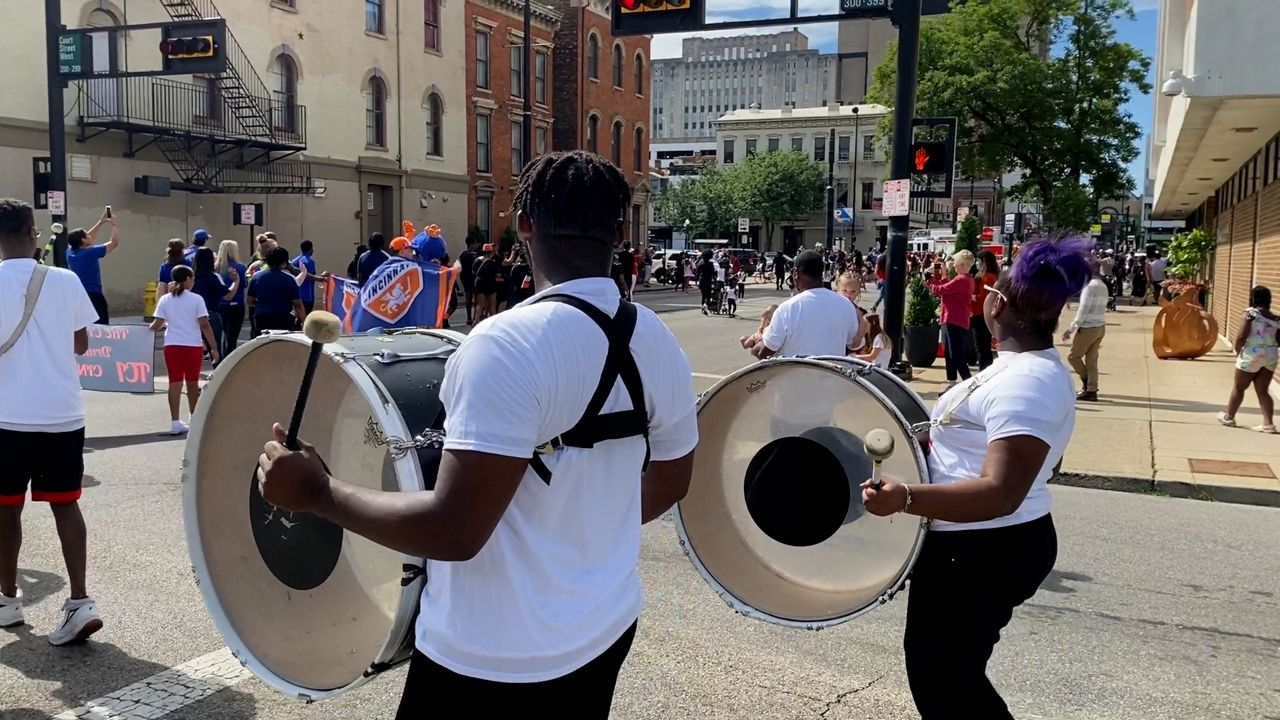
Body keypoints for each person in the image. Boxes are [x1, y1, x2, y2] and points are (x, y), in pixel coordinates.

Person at [256, 151, 698, 717]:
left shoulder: (505, 344)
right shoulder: (655, 338)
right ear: (619, 232)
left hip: (491, 658)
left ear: (525, 225)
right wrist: (581, 527)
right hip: (605, 628)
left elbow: (455, 531)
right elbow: (674, 478)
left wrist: (316, 493)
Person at [862, 236, 1090, 720]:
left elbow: (1001, 492)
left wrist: (905, 498)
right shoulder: (1017, 369)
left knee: (947, 679)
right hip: (970, 546)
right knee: (944, 673)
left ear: (995, 303)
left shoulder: (1028, 381)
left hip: (983, 549)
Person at [0, 198, 104, 645]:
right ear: (33, 232)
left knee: (6, 508)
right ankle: (80, 601)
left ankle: (7, 600)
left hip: (8, 415)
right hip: (63, 412)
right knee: (66, 504)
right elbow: (81, 343)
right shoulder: (64, 279)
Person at [751, 251, 863, 359]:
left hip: (794, 377)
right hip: (832, 376)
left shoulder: (787, 309)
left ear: (796, 273)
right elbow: (851, 344)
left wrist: (757, 340)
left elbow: (763, 352)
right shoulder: (846, 306)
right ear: (821, 272)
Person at [150, 266, 219, 435]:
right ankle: (194, 418)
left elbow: (157, 324)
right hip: (192, 345)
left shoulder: (165, 299)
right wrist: (214, 347)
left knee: (174, 382)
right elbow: (204, 324)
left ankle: (175, 422)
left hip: (172, 345)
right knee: (192, 383)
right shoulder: (196, 299)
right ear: (188, 279)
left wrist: (144, 330)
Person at [1218, 285, 1278, 433]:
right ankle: (1268, 424)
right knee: (1263, 390)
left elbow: (1241, 336)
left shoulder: (1250, 314)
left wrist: (1238, 351)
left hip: (1251, 354)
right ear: (1268, 300)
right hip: (1269, 356)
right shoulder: (1276, 318)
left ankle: (1229, 417)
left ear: (1252, 298)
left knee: (1239, 387)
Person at [928, 250, 977, 387]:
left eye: (955, 262)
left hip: (953, 319)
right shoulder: (966, 279)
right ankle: (952, 382)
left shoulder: (961, 279)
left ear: (961, 264)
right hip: (953, 319)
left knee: (955, 354)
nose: (953, 265)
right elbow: (947, 291)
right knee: (950, 353)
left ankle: (968, 382)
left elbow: (939, 290)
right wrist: (942, 276)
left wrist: (930, 277)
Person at [1063, 256, 1108, 401]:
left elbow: (1083, 310)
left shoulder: (1089, 287)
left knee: (1073, 357)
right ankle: (1092, 389)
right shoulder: (1102, 285)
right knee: (1092, 360)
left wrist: (1071, 329)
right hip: (1100, 326)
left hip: (1088, 327)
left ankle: (1086, 381)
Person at [65, 208, 120, 324]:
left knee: (84, 326)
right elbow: (114, 243)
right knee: (101, 326)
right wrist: (114, 225)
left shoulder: (70, 253)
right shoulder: (90, 253)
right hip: (94, 296)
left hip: (79, 296)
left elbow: (87, 238)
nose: (90, 236)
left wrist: (101, 222)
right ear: (83, 241)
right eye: (87, 236)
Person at [247, 247, 306, 337]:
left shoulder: (256, 277)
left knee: (263, 345)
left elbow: (249, 301)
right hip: (283, 317)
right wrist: (304, 321)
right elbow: (297, 304)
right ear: (283, 264)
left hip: (261, 317)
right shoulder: (289, 279)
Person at [215, 240, 249, 359]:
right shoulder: (241, 268)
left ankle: (223, 358)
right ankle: (229, 360)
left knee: (224, 335)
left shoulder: (216, 268)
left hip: (220, 305)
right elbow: (245, 286)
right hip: (236, 305)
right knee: (232, 337)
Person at [971, 250, 1001, 370]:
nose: (977, 263)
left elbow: (985, 297)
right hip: (982, 314)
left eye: (979, 260)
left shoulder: (987, 276)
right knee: (984, 347)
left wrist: (971, 296)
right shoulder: (991, 275)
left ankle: (983, 370)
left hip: (980, 314)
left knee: (981, 347)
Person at [292, 240, 319, 315]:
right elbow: (311, 276)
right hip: (308, 295)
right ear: (311, 249)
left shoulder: (294, 261)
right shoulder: (309, 261)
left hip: (296, 294)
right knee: (306, 316)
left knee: (298, 316)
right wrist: (321, 278)